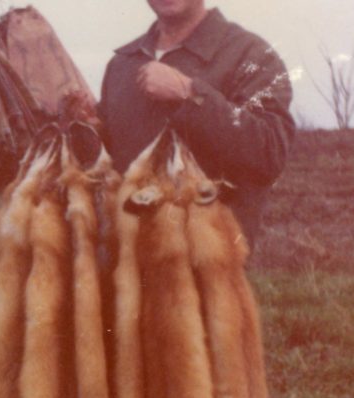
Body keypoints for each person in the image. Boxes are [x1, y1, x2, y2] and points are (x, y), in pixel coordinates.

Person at [98, 0, 295, 245]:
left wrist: (189, 94)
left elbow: (269, 152)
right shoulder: (122, 65)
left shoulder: (250, 54)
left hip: (209, 265)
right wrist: (84, 126)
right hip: (128, 260)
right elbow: (106, 163)